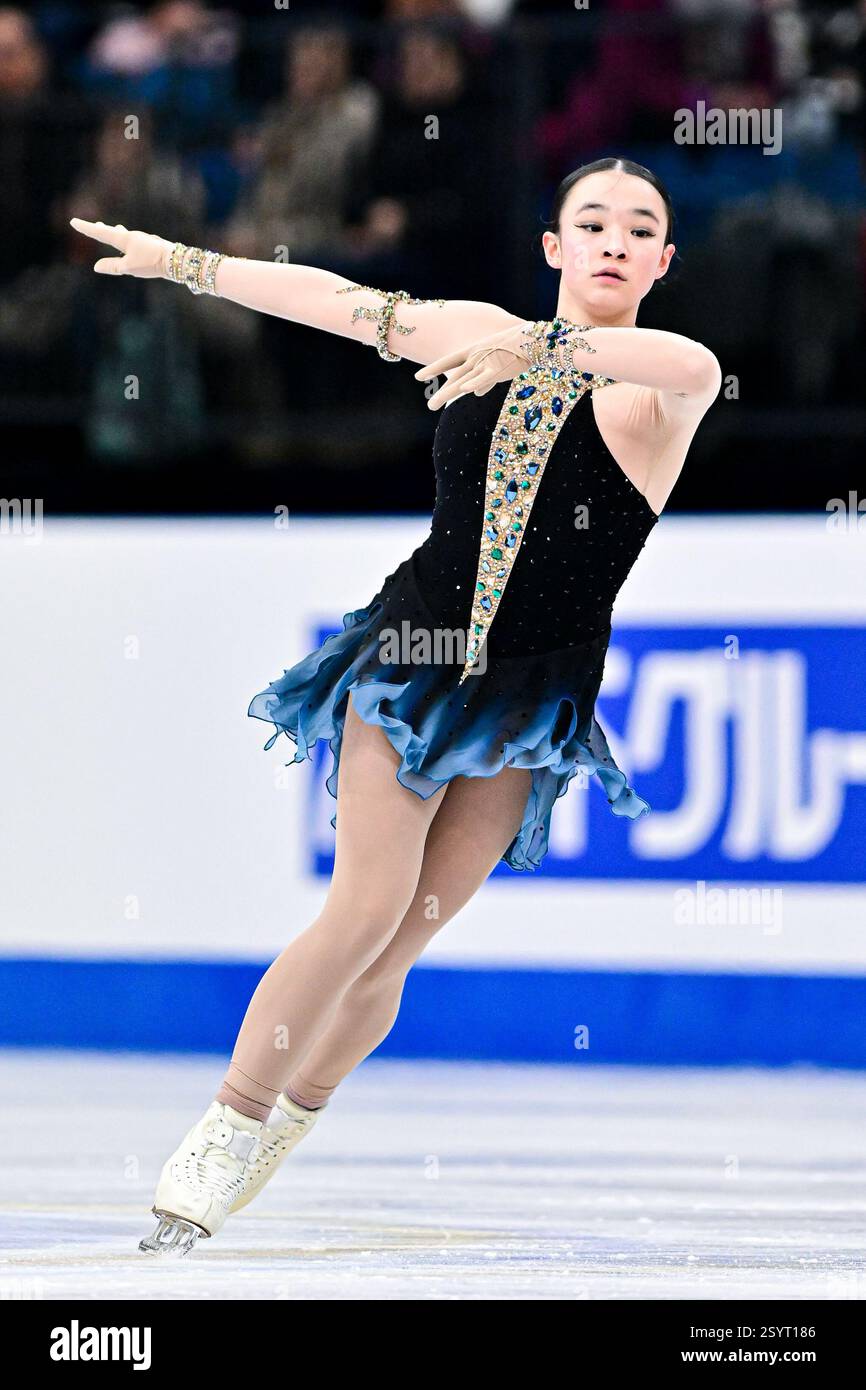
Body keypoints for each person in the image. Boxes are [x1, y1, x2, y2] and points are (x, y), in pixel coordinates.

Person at [70, 155, 722, 1256]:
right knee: (367, 906)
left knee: (402, 943)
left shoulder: (662, 394)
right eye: (590, 221)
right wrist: (189, 263)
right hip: (410, 657)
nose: (614, 238)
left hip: (528, 702)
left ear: (661, 259)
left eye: (638, 228)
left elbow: (687, 354)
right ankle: (232, 1118)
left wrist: (543, 345)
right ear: (552, 247)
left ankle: (297, 1113)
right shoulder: (470, 327)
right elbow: (331, 298)